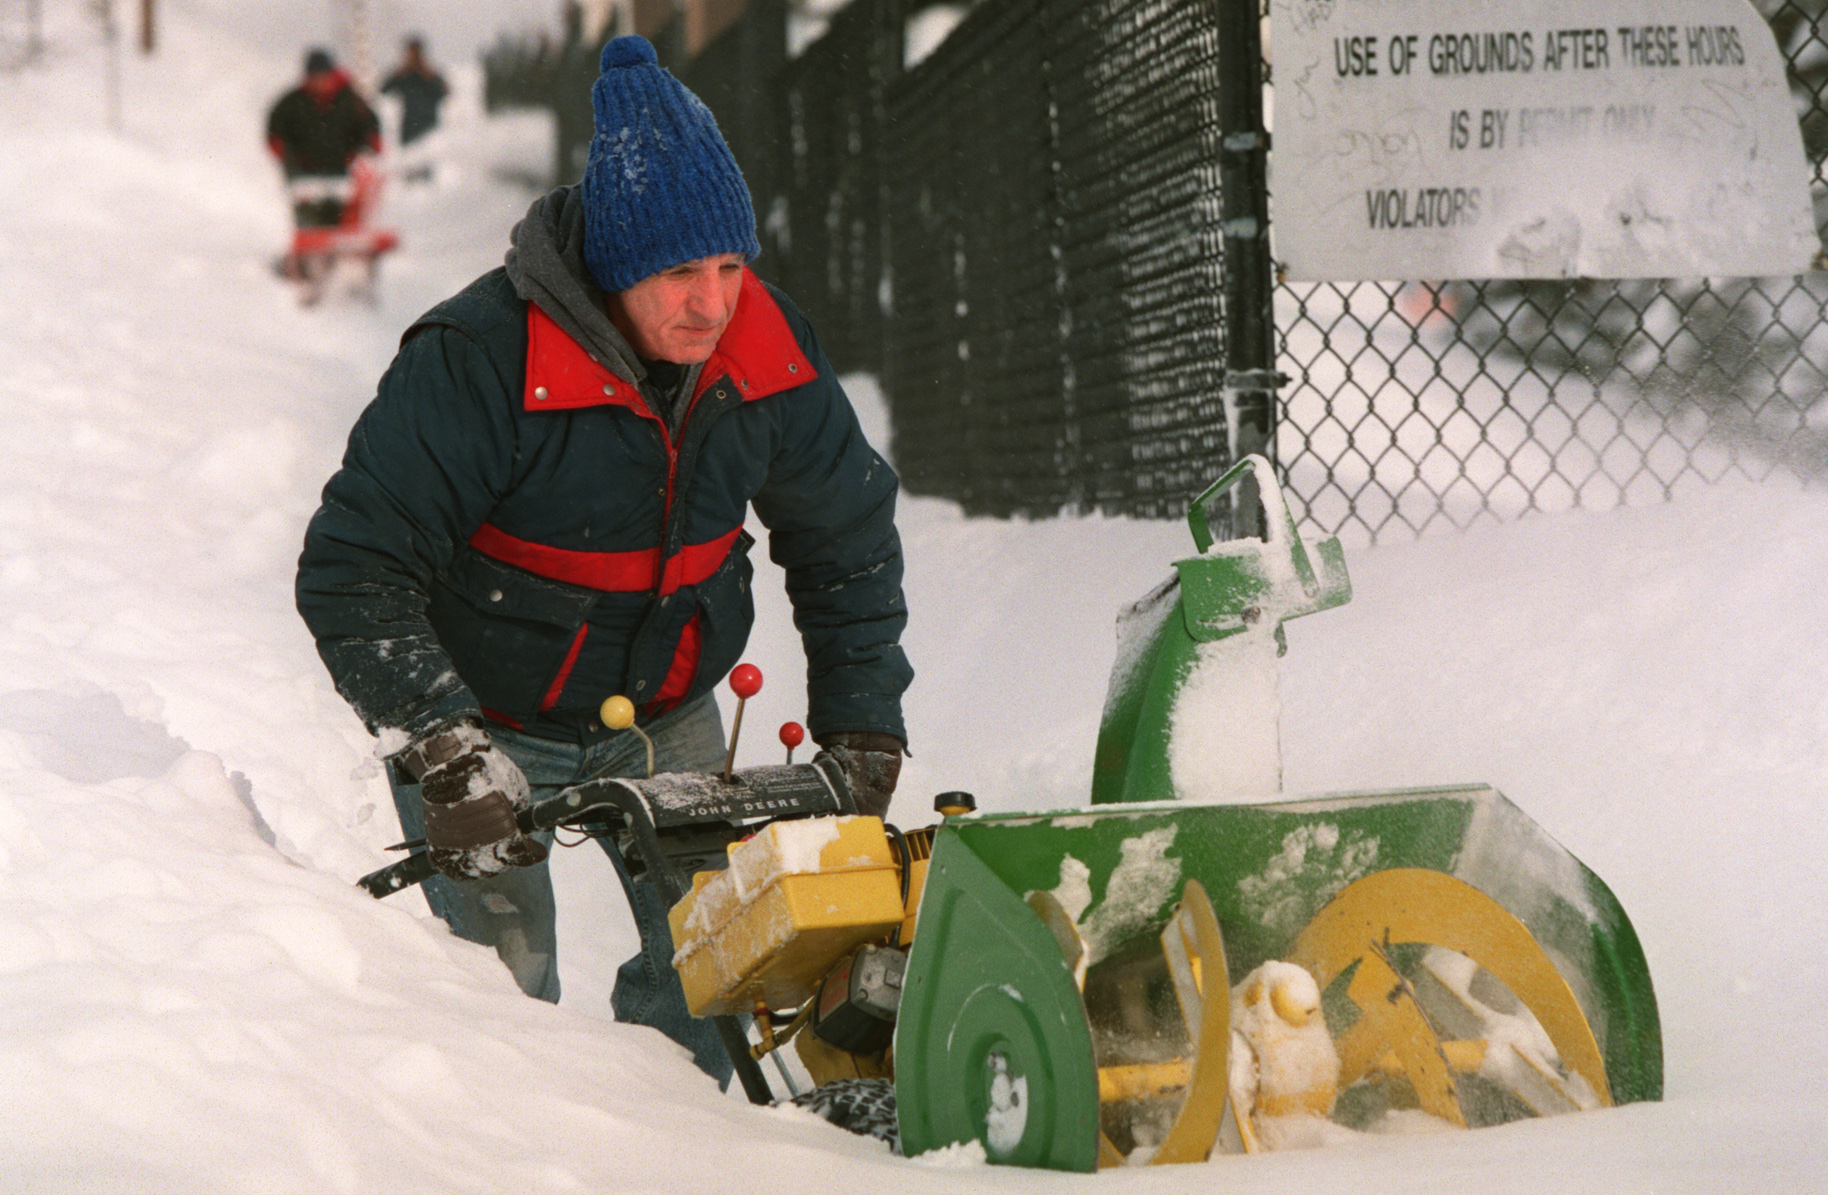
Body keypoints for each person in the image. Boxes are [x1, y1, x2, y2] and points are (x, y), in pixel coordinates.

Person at [296, 35, 911, 1085]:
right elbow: (354, 567)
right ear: (615, 263)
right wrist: (445, 750)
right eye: (678, 273)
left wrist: (862, 724)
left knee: (714, 972)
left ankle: (673, 1148)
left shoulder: (763, 350)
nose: (710, 304)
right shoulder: (481, 361)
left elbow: (844, 535)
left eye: (729, 266)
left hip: (669, 710)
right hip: (489, 720)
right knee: (493, 1000)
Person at [266, 48, 381, 259]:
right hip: (304, 176)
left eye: (323, 75)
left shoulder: (351, 100)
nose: (319, 81)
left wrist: (366, 151)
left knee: (343, 221)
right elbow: (274, 133)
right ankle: (310, 264)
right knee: (309, 225)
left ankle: (343, 260)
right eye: (314, 76)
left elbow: (371, 131)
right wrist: (290, 159)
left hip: (342, 173)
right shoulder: (292, 102)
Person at [381, 35, 449, 181]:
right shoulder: (403, 75)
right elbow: (384, 89)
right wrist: (400, 72)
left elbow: (444, 93)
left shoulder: (430, 74)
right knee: (410, 174)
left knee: (429, 175)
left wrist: (428, 76)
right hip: (409, 128)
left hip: (429, 129)